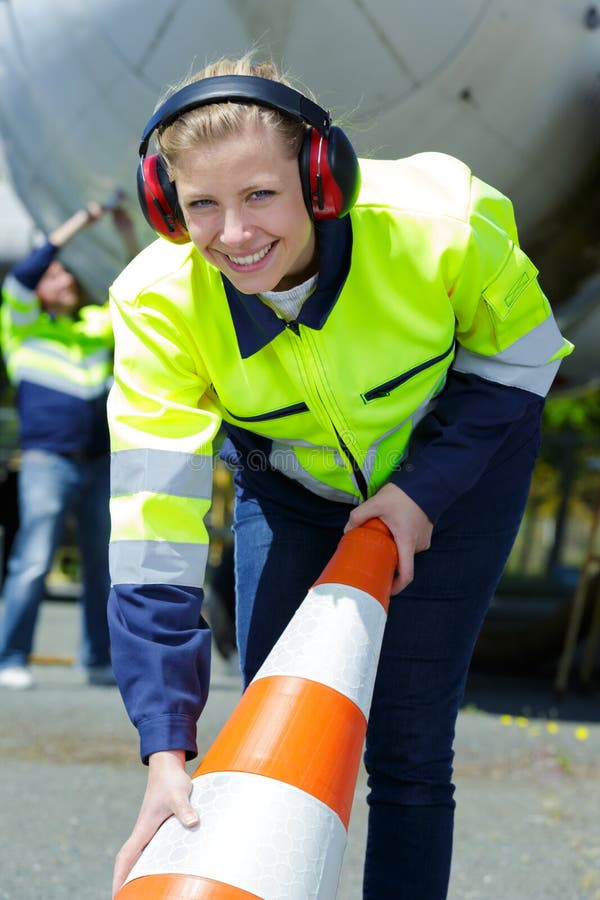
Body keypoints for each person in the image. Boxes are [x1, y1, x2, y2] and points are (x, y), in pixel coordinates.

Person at [107, 56, 573, 899]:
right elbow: (152, 531)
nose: (234, 234)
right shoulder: (156, 303)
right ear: (165, 205)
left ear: (322, 179)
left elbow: (523, 362)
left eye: (260, 195)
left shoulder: (444, 223)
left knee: (409, 745)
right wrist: (164, 747)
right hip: (287, 487)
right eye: (200, 204)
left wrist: (420, 494)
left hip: (457, 477)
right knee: (278, 730)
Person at [0, 199, 137, 690]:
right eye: (54, 275)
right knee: (33, 561)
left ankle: (96, 659)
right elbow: (22, 276)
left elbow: (131, 292)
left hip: (98, 463)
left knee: (102, 566)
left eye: (66, 274)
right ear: (38, 290)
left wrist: (125, 235)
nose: (64, 278)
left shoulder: (94, 328)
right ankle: (10, 657)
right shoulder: (21, 324)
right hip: (46, 462)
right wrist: (86, 217)